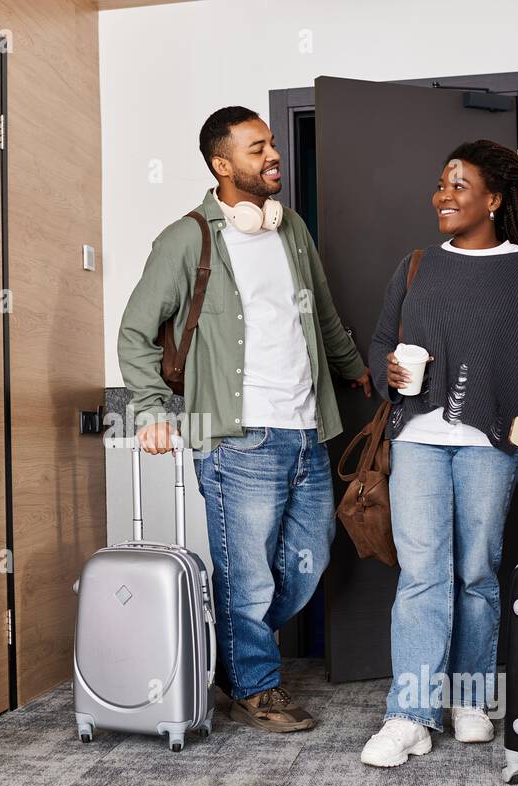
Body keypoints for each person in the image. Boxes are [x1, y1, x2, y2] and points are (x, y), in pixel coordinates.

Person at [117, 105, 372, 733]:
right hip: (236, 437)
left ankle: (227, 649)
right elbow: (135, 332)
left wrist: (354, 367)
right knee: (247, 573)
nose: (273, 156)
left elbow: (323, 312)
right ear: (222, 165)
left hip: (308, 428)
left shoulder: (292, 231)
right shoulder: (187, 239)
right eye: (257, 149)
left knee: (309, 557)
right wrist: (151, 409)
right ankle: (257, 686)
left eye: (272, 145)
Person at [360, 139, 518, 767]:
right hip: (419, 437)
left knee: (477, 573)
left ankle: (472, 701)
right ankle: (410, 715)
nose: (443, 196)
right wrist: (390, 372)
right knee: (423, 574)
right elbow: (380, 344)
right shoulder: (417, 264)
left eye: (458, 186)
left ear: (494, 199)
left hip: (491, 439)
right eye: (441, 184)